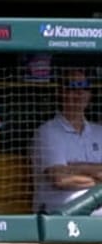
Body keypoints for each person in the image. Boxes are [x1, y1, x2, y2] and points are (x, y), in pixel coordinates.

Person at [32, 67, 102, 214]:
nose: (79, 93)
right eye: (73, 87)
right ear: (61, 92)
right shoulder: (48, 131)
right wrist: (97, 179)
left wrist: (78, 167)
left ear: (90, 94)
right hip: (60, 216)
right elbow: (61, 179)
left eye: (84, 87)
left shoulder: (99, 132)